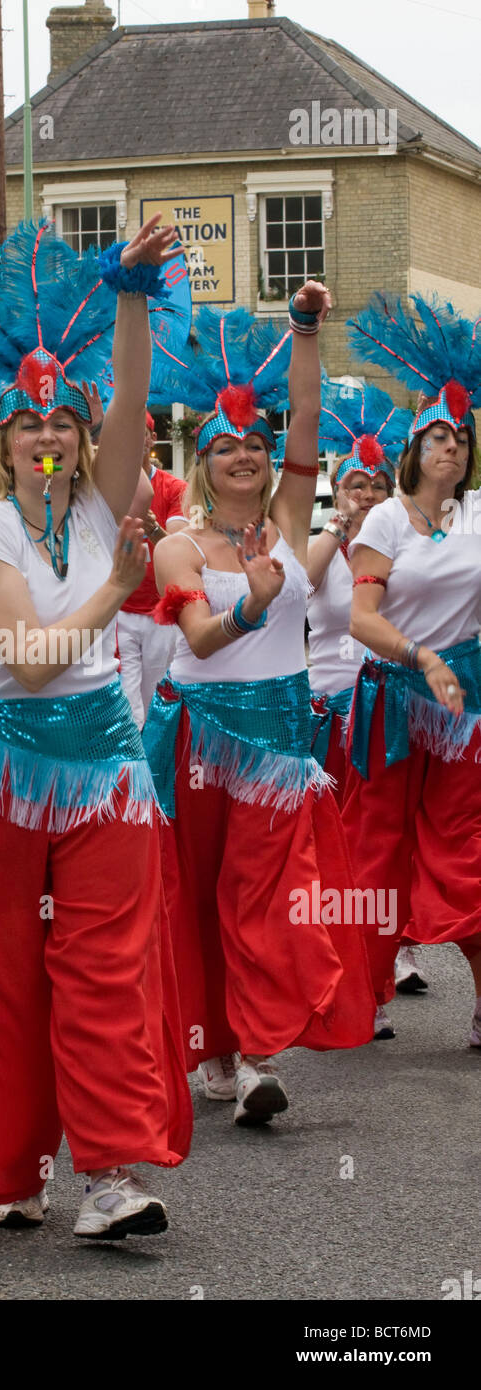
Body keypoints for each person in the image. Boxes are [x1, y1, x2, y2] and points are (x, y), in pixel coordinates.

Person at [0, 217, 192, 1238]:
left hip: (106, 769)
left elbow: (129, 394)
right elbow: (27, 656)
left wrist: (127, 290)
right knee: (9, 976)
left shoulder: (95, 503)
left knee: (105, 965)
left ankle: (113, 1173)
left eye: (61, 424)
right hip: (9, 771)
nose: (49, 438)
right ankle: (19, 1165)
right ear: (3, 441)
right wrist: (116, 589)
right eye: (28, 426)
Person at [147, 290, 375, 1126]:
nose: (243, 455)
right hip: (200, 736)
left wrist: (304, 333)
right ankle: (210, 1043)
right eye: (225, 446)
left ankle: (256, 1055)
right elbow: (201, 639)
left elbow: (308, 416)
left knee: (267, 894)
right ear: (202, 461)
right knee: (201, 892)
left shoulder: (287, 517)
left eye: (255, 443)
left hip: (280, 735)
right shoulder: (178, 544)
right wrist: (250, 603)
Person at [344, 292, 481, 1040]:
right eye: (435, 436)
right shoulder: (388, 517)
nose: (450, 448)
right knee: (377, 852)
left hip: (467, 706)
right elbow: (363, 619)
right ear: (412, 449)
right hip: (397, 698)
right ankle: (364, 994)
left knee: (467, 845)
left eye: (459, 436)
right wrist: (422, 656)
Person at [306, 380, 410, 804]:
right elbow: (301, 585)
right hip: (328, 707)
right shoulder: (324, 546)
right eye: (356, 484)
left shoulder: (406, 551)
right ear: (337, 488)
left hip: (388, 707)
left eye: (378, 486)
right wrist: (340, 523)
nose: (368, 495)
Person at [116, 412, 187, 727]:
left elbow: (181, 547)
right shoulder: (108, 486)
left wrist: (155, 530)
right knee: (128, 707)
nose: (133, 440)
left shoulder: (174, 488)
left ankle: (154, 770)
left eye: (140, 432)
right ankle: (131, 772)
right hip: (120, 611)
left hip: (160, 613)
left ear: (150, 438)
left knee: (155, 701)